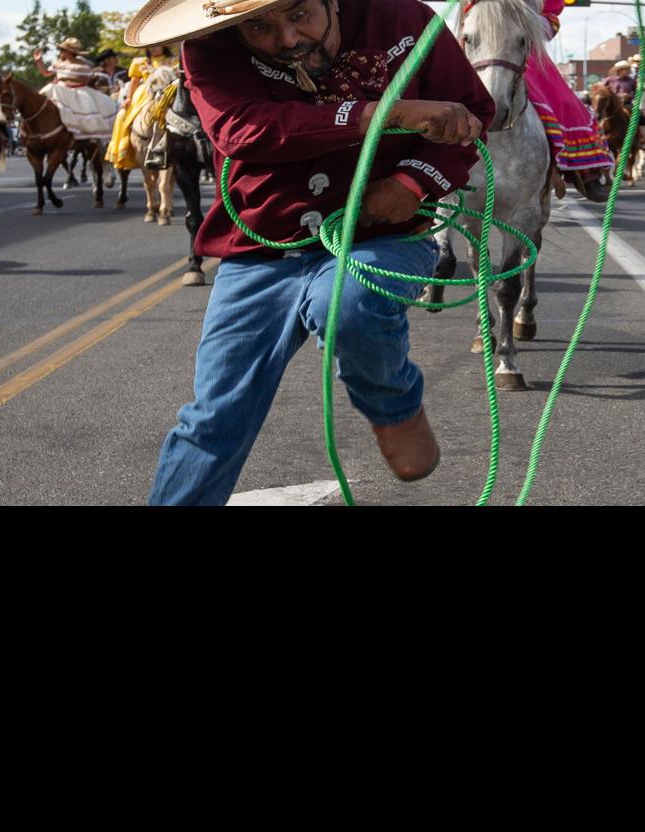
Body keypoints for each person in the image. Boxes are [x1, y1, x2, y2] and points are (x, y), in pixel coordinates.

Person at [129, 0, 492, 505]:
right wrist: (382, 113)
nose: (287, 39)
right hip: (262, 245)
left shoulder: (405, 18)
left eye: (300, 14)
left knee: (349, 304)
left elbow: (470, 112)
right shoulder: (208, 44)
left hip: (381, 234)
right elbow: (242, 128)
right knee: (216, 414)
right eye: (258, 26)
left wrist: (413, 181)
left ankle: (392, 405)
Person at [523, 0, 611, 202]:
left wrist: (526, 22)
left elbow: (550, 23)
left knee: (567, 103)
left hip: (524, 50)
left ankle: (586, 171)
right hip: (482, 43)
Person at [108, 45, 180, 173]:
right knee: (122, 115)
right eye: (151, 46)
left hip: (168, 92)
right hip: (146, 93)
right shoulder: (139, 62)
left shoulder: (174, 61)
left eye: (158, 45)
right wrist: (129, 99)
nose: (154, 48)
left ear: (164, 46)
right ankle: (125, 147)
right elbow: (134, 82)